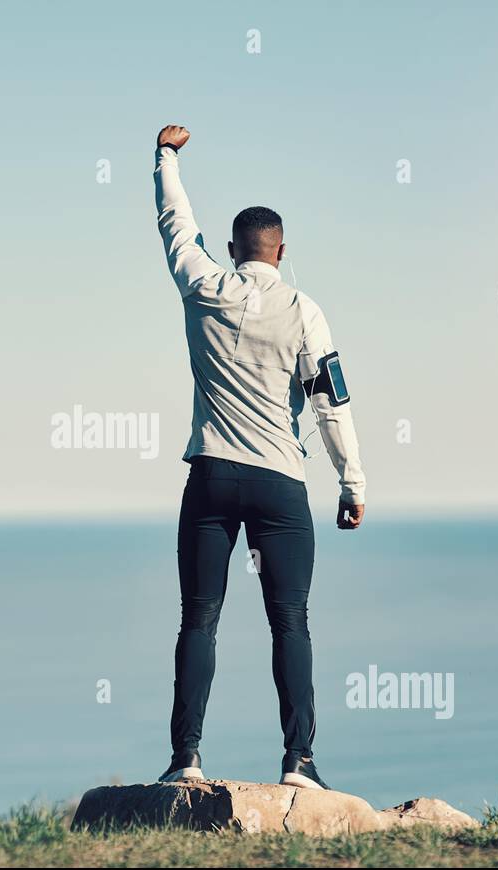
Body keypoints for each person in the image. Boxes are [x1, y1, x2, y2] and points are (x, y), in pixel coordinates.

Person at [153, 125, 367, 790]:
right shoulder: (306, 310)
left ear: (231, 250)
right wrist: (351, 481)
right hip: (280, 481)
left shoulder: (202, 286)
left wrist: (165, 157)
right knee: (291, 619)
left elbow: (173, 224)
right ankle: (298, 762)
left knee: (199, 617)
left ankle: (186, 759)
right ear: (282, 251)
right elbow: (330, 401)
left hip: (212, 474)